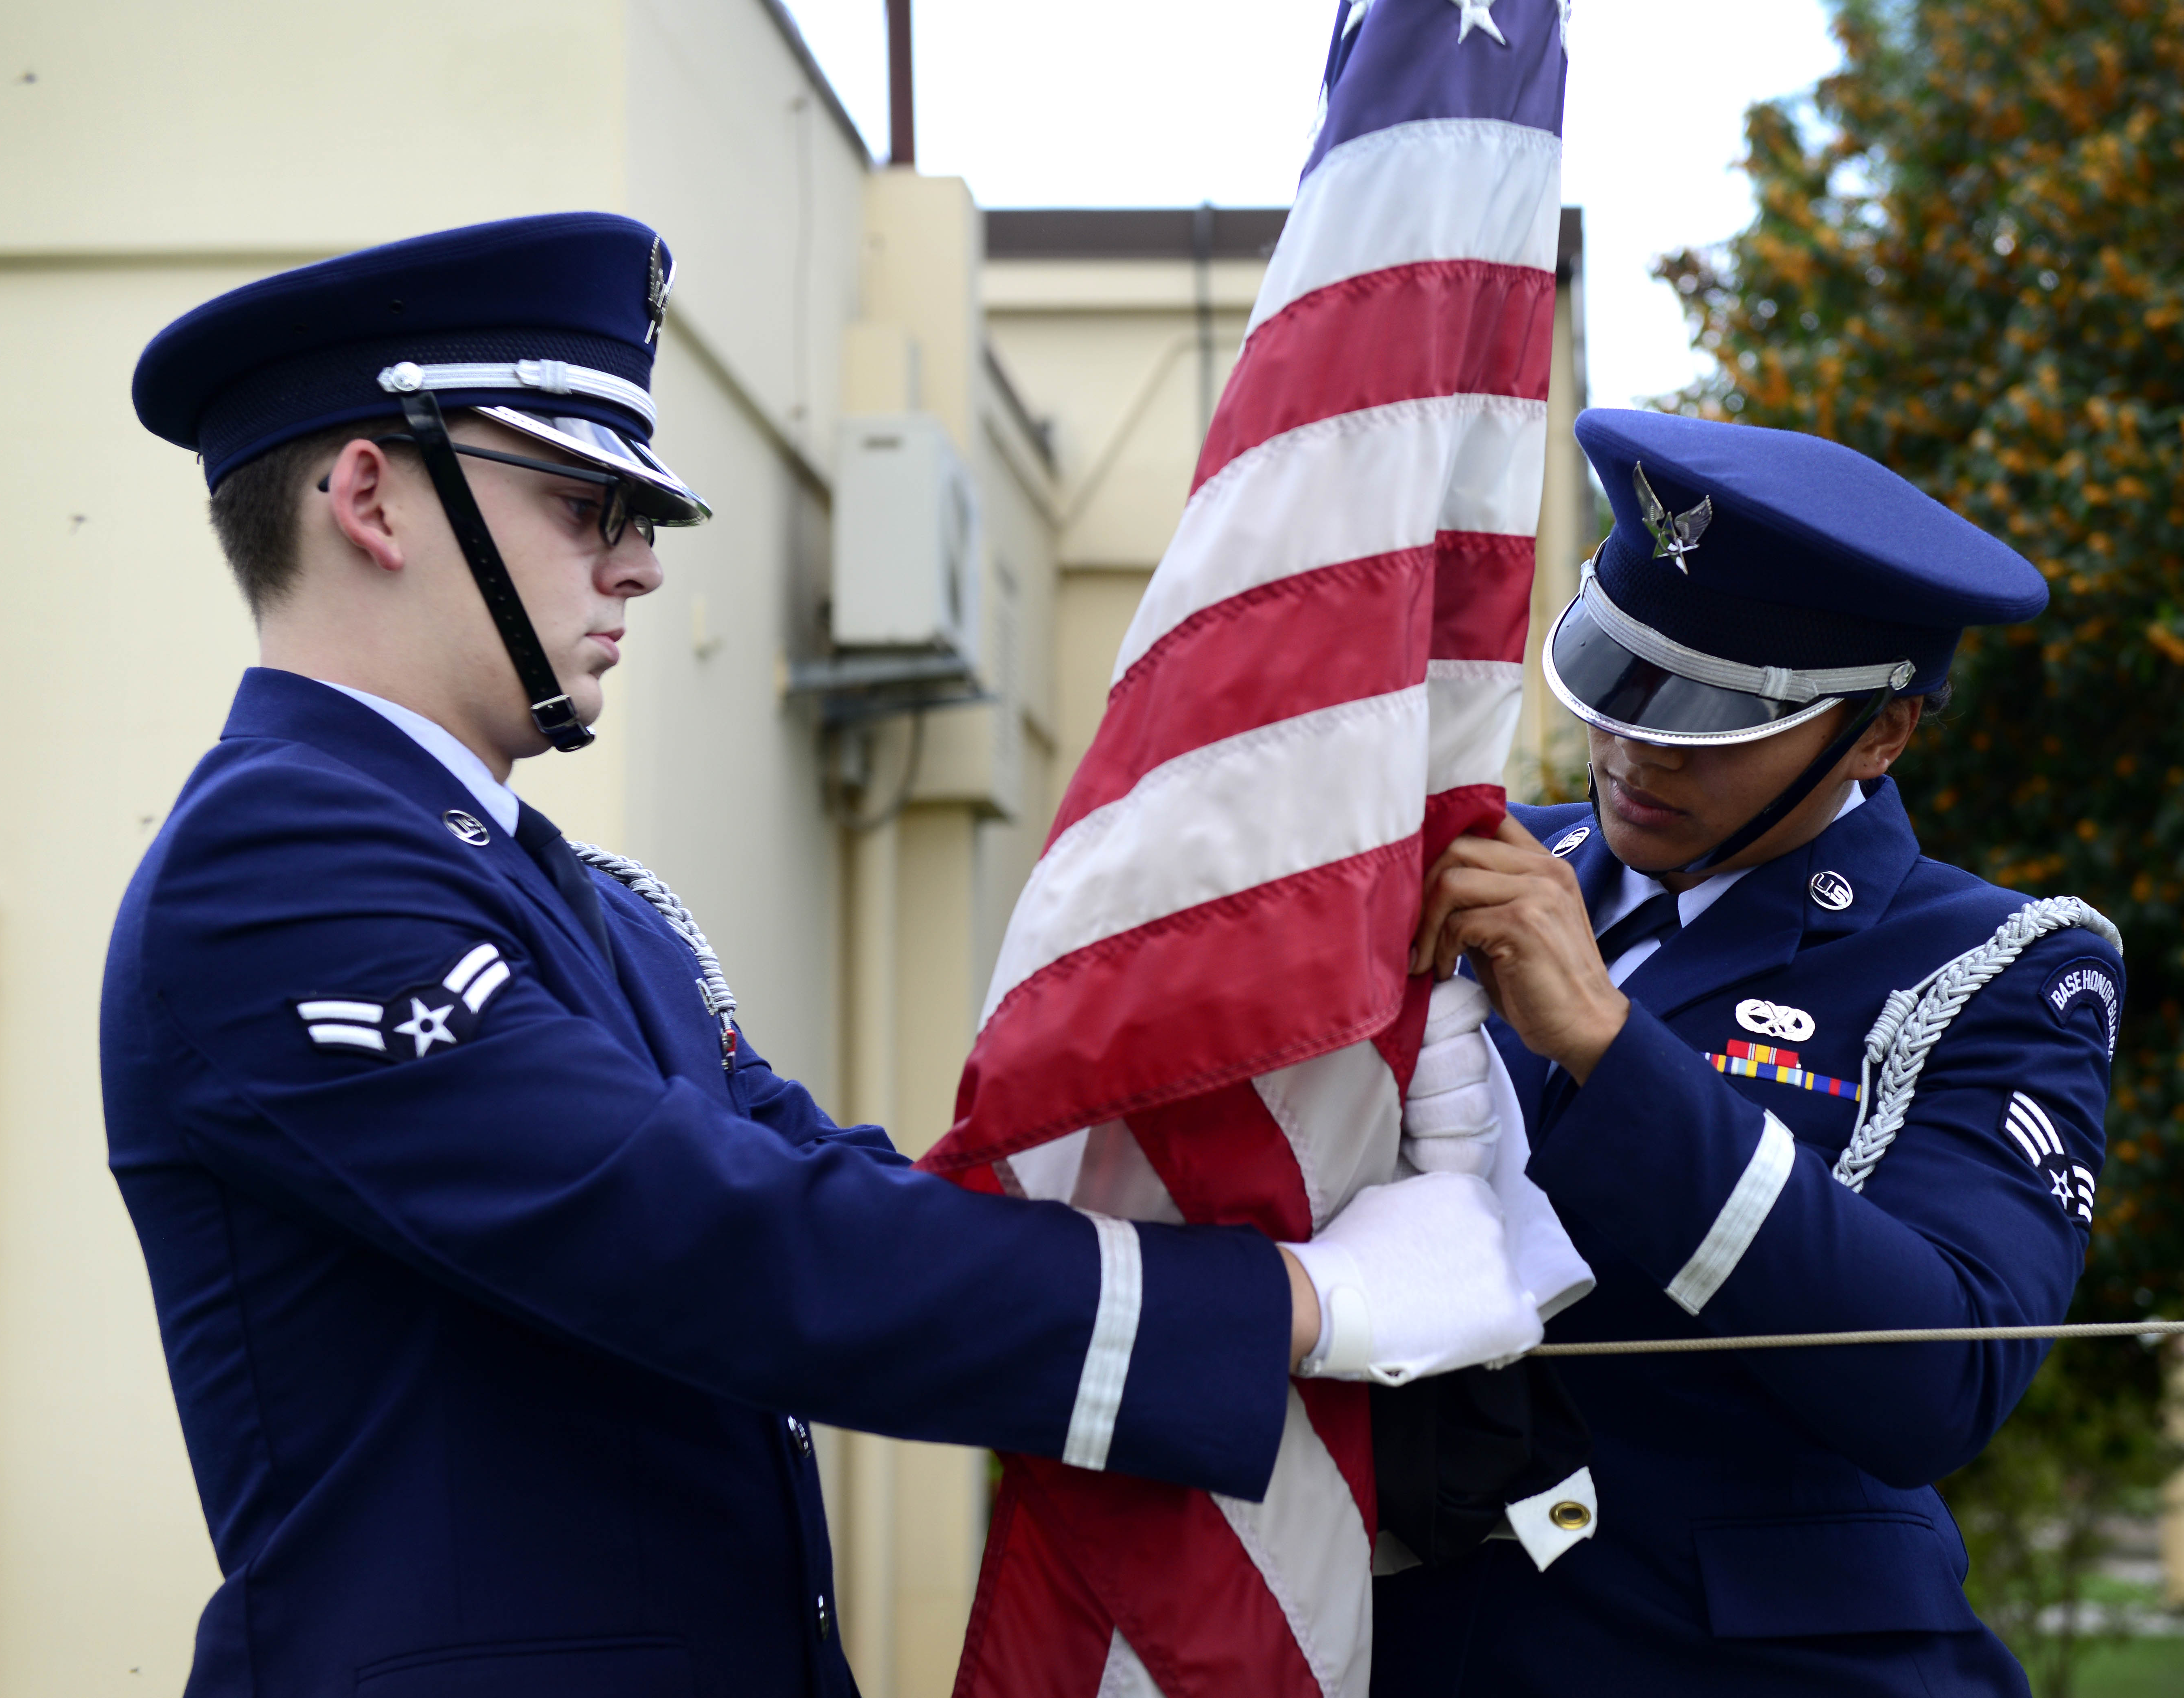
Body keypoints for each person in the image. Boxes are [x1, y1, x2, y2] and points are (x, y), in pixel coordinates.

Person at [102, 212, 1537, 1698]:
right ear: (371, 500)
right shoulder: (272, 868)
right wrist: (1305, 1301)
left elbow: (851, 1203)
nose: (640, 566)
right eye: (593, 502)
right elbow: (715, 1237)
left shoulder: (591, 901)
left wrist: (1319, 1145)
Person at [1372, 409, 2124, 1697]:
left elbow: (1939, 1377)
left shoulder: (2006, 961)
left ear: (1880, 735)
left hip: (1750, 1661)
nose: (1635, 749)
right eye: (1619, 679)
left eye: (1712, 716)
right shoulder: (1480, 862)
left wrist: (1616, 1052)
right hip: (1422, 1640)